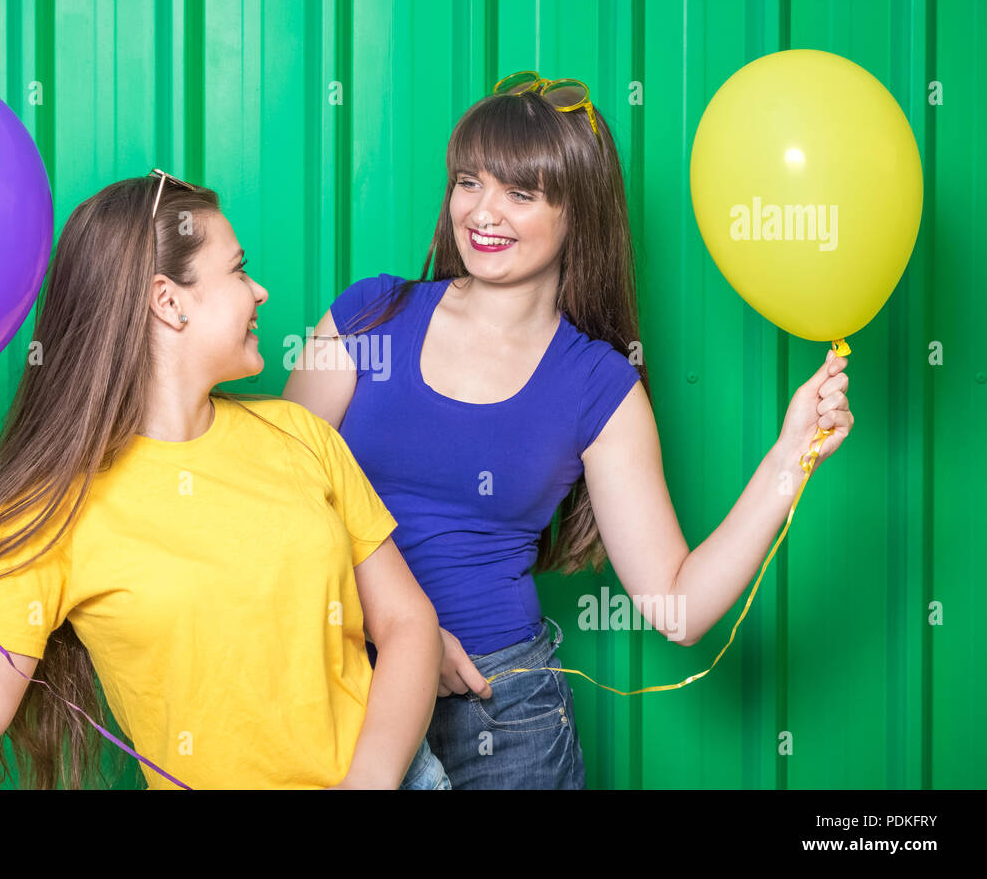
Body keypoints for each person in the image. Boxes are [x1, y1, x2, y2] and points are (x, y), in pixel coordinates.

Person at [283, 72, 854, 789]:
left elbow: (676, 605)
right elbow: (279, 508)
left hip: (500, 708)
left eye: (521, 193)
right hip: (338, 677)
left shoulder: (599, 386)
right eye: (469, 181)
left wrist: (790, 457)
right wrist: (397, 633)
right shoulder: (370, 316)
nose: (483, 211)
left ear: (576, 213)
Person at [0, 172, 450, 790]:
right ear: (168, 300)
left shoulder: (300, 433)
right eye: (238, 271)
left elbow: (407, 623)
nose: (260, 291)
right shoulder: (51, 507)